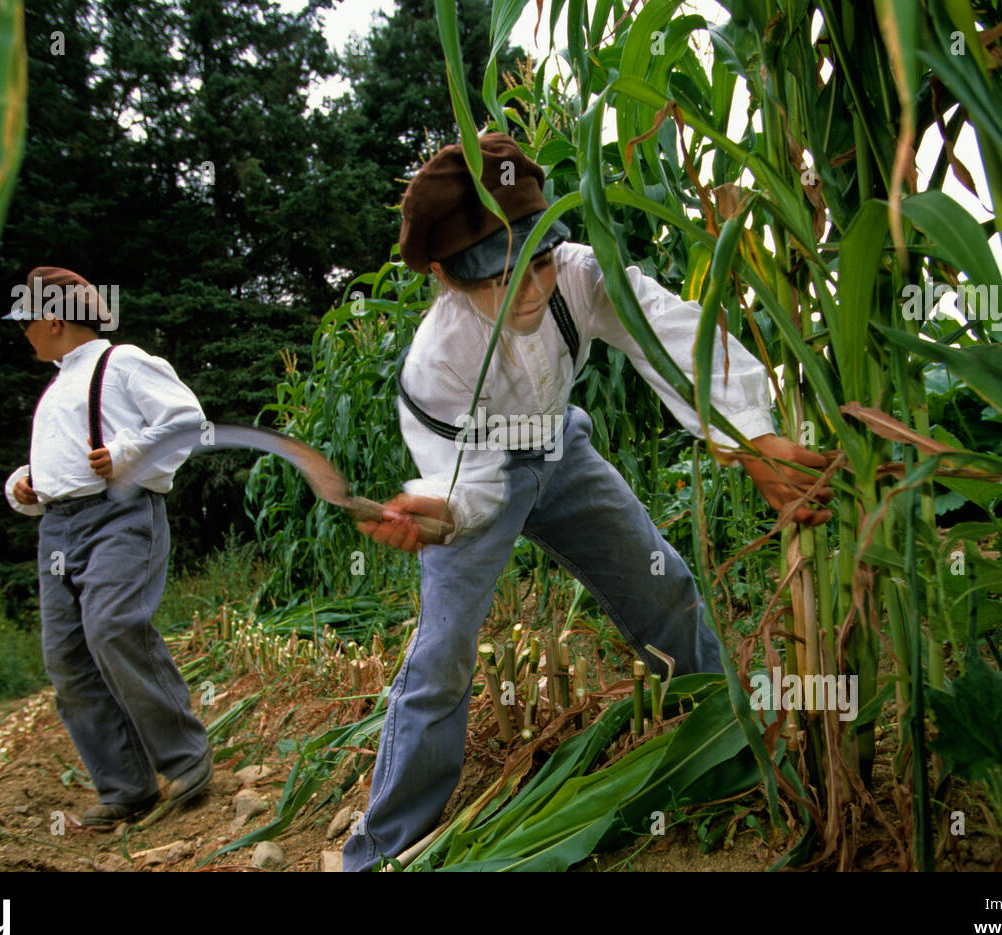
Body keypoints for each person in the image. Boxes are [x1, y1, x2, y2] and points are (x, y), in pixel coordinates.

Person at [341, 133, 832, 871]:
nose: (532, 290)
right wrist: (437, 512)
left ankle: (724, 756)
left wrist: (748, 438)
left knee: (662, 585)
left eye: (538, 259)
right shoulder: (436, 363)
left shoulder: (579, 277)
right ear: (442, 274)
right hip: (481, 472)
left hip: (561, 451)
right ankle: (381, 852)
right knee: (441, 653)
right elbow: (457, 481)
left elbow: (671, 336)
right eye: (496, 278)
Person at [2, 266, 213, 827]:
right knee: (67, 658)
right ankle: (125, 786)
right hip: (57, 530)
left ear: (51, 318)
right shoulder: (55, 386)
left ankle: (186, 756)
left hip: (118, 517)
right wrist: (23, 484)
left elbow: (187, 420)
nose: (21, 332)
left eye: (25, 320)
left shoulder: (121, 363)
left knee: (113, 625)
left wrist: (126, 454)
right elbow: (59, 462)